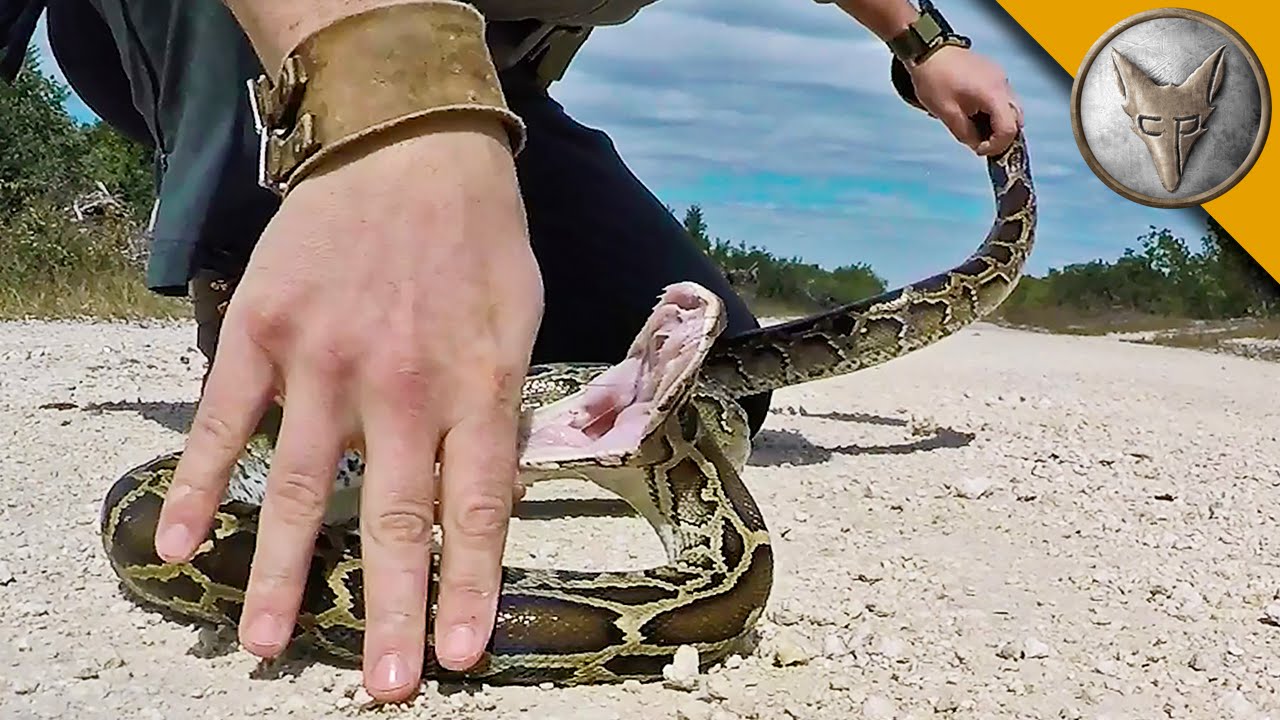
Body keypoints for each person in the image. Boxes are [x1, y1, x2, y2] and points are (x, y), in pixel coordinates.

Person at [9, 0, 1023, 702]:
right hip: (233, 29)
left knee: (709, 374)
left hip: (487, 94)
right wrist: (378, 107)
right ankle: (258, 282)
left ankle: (415, 348)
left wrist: (921, 40)